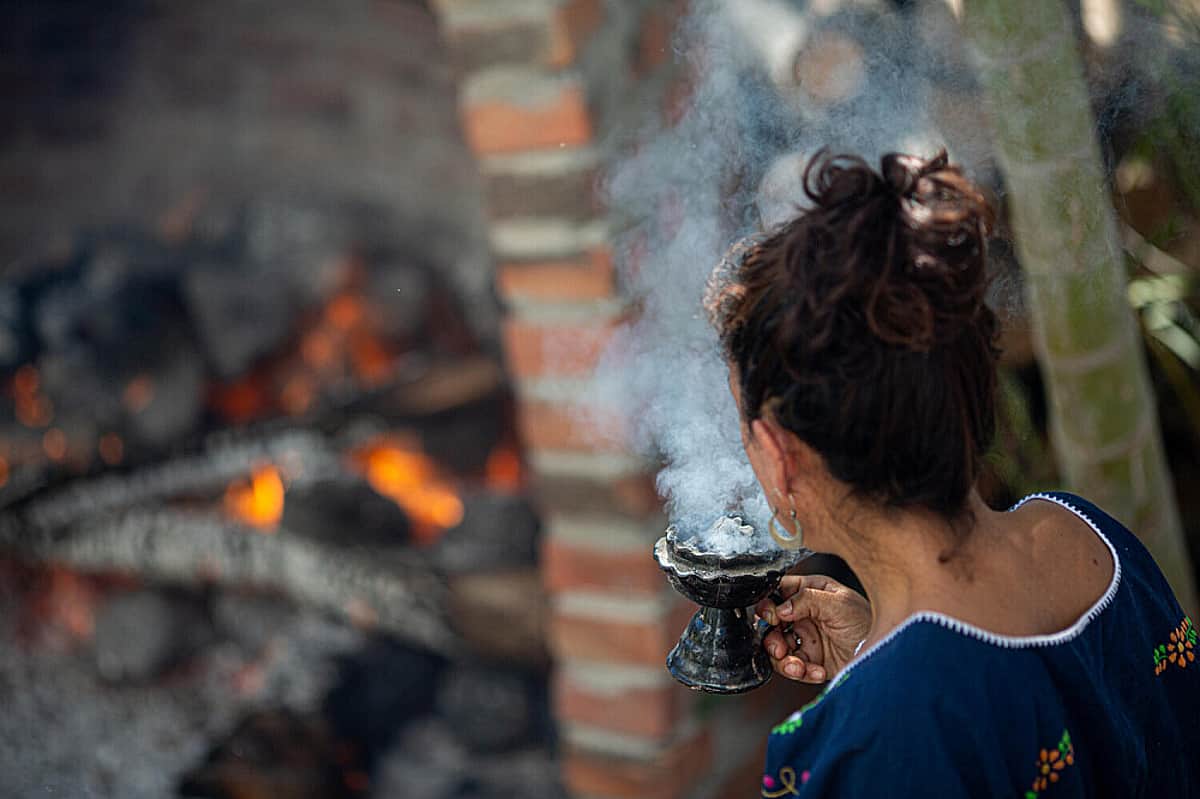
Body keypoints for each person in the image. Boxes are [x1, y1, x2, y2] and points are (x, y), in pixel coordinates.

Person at [704, 150, 1199, 797]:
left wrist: (882, 689)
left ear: (779, 452)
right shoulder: (1084, 534)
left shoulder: (869, 743)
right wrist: (876, 663)